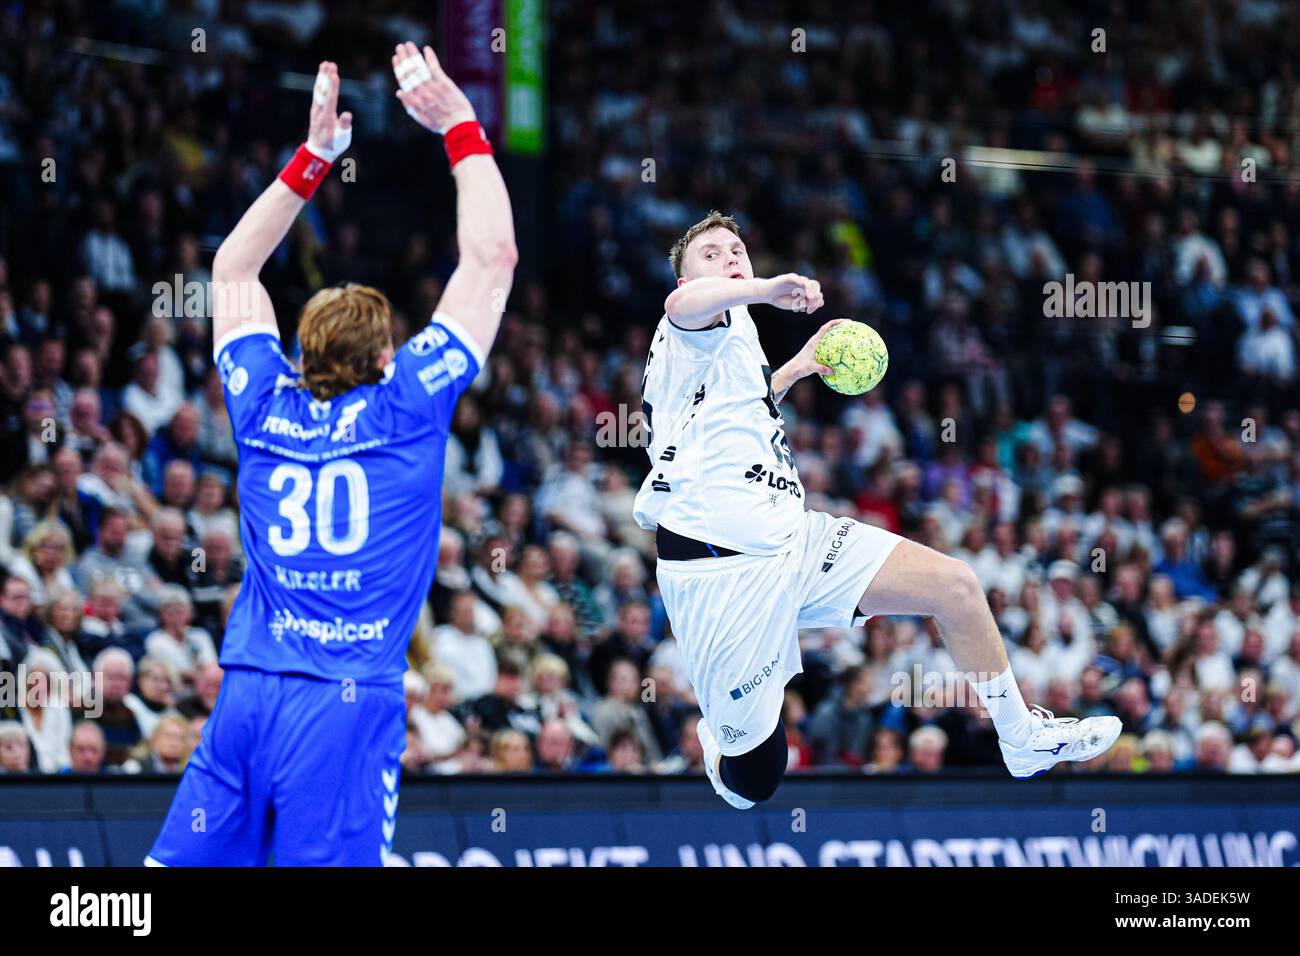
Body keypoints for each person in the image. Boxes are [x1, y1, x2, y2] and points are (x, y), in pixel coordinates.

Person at [148, 47, 517, 866]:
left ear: (298, 350)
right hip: (343, 710)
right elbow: (492, 258)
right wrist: (460, 125)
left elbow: (232, 264)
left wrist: (313, 156)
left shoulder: (259, 400)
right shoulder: (409, 402)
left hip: (249, 693)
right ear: (386, 357)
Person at [633, 211, 1121, 809]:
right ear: (687, 278)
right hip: (721, 574)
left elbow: (742, 410)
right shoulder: (685, 326)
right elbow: (681, 306)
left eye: (736, 249)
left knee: (957, 586)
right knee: (756, 781)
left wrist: (799, 367)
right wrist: (766, 288)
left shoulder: (737, 330)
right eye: (711, 253)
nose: (730, 257)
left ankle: (1021, 738)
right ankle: (718, 746)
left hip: (796, 540)